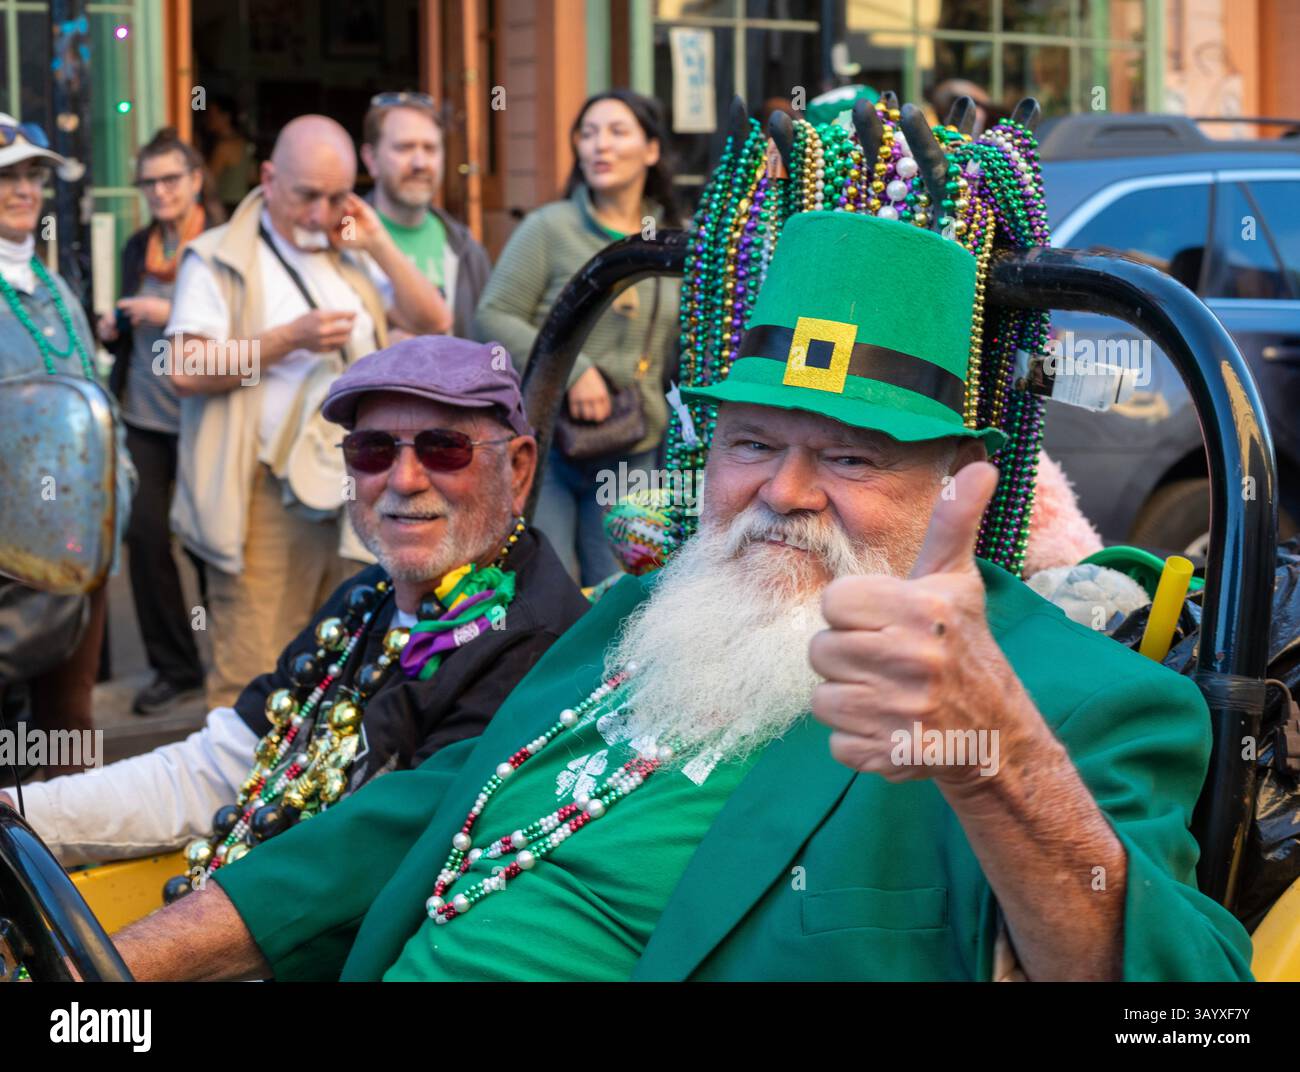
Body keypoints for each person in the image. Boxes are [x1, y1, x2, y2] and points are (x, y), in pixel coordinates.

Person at [113, 211, 1251, 981]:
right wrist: (108, 971)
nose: (785, 492)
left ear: (954, 479)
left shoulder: (1073, 695)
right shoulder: (641, 617)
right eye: (752, 442)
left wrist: (996, 758)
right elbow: (424, 814)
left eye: (851, 458)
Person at [1, 337, 590, 880]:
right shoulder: (367, 599)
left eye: (444, 449)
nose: (404, 479)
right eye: (373, 449)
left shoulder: (537, 646)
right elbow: (217, 767)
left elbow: (372, 873)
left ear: (517, 469)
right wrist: (20, 813)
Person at [166, 114, 451, 710]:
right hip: (262, 498)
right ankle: (235, 799)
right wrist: (285, 340)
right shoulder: (216, 256)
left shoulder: (348, 252)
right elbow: (183, 370)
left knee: (336, 668)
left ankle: (311, 801)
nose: (320, 214)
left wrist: (376, 240)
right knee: (249, 672)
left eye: (335, 197)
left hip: (356, 491)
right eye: (306, 196)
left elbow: (434, 323)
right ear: (268, 178)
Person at [474, 89, 682, 586]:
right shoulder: (550, 227)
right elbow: (492, 314)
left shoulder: (671, 235)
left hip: (635, 444)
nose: (598, 146)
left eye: (616, 132)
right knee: (543, 583)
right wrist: (576, 369)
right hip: (551, 445)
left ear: (651, 150)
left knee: (620, 589)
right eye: (587, 134)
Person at [0, 115, 135, 776]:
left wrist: (121, 497)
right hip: (9, 565)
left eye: (32, 175)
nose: (24, 189)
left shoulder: (56, 290)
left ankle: (54, 871)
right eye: (8, 175)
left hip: (81, 561)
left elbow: (98, 404)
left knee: (68, 734)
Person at [97, 128, 219, 715]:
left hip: (204, 416)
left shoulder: (221, 243)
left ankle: (236, 664)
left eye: (171, 178)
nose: (160, 190)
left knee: (207, 543)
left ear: (195, 179)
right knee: (145, 537)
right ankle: (176, 668)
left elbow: (236, 323)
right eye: (149, 181)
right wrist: (115, 325)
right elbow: (129, 318)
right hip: (144, 414)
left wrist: (163, 311)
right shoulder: (136, 244)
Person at [360, 91, 490, 339]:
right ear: (370, 158)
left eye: (430, 149)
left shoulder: (467, 251)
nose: (420, 163)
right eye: (404, 148)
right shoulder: (344, 243)